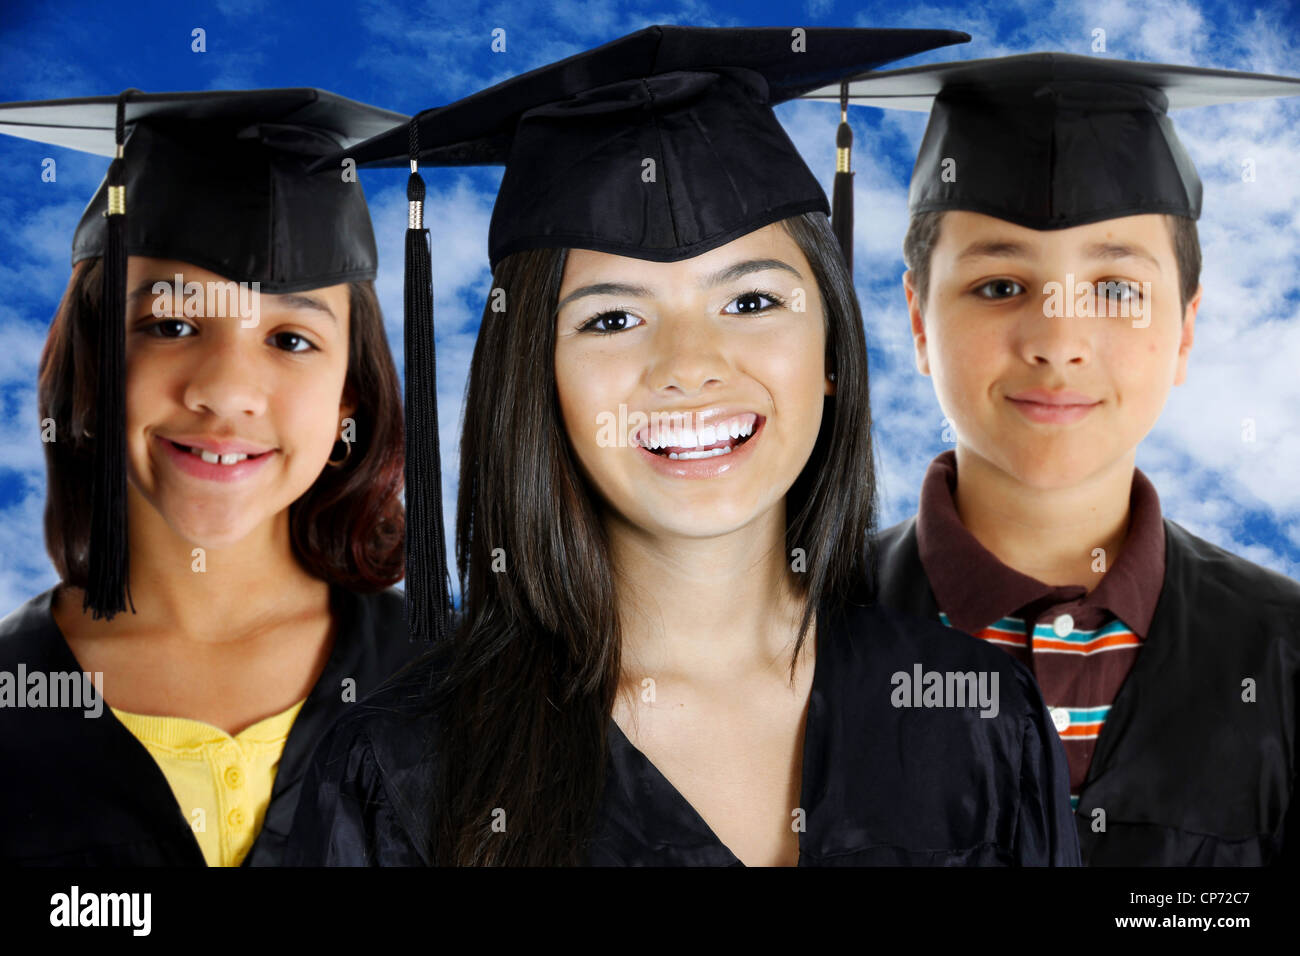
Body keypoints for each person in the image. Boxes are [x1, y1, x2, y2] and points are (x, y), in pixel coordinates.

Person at [286, 26, 1081, 867]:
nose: (690, 368)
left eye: (751, 302)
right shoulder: (407, 771)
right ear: (535, 379)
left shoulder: (976, 716)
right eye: (613, 318)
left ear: (832, 356)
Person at [807, 53, 1300, 864]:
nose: (1057, 343)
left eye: (1115, 289)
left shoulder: (1281, 658)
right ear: (919, 321)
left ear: (1185, 330)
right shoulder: (794, 634)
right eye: (999, 286)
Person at [0, 88, 422, 866]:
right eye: (171, 325)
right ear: (95, 365)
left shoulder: (456, 688)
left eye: (291, 339)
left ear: (348, 398)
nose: (225, 390)